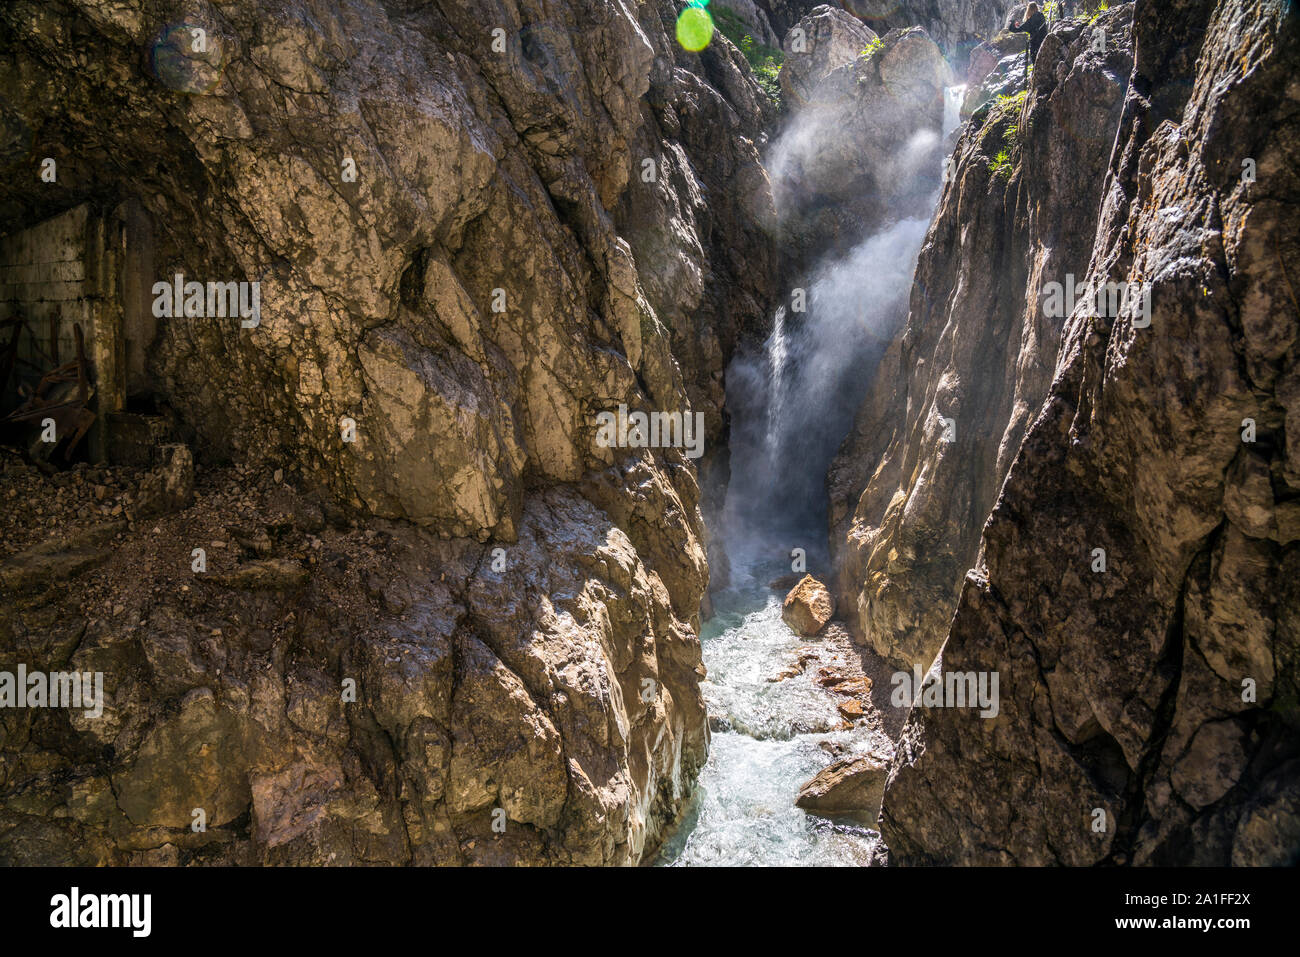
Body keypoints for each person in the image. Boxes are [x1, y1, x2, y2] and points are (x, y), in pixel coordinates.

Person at [1011, 2, 1049, 72]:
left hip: (1035, 44)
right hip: (1044, 42)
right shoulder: (1041, 16)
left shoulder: (1031, 20)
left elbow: (1016, 30)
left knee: (1036, 64)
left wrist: (1013, 23)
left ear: (1029, 10)